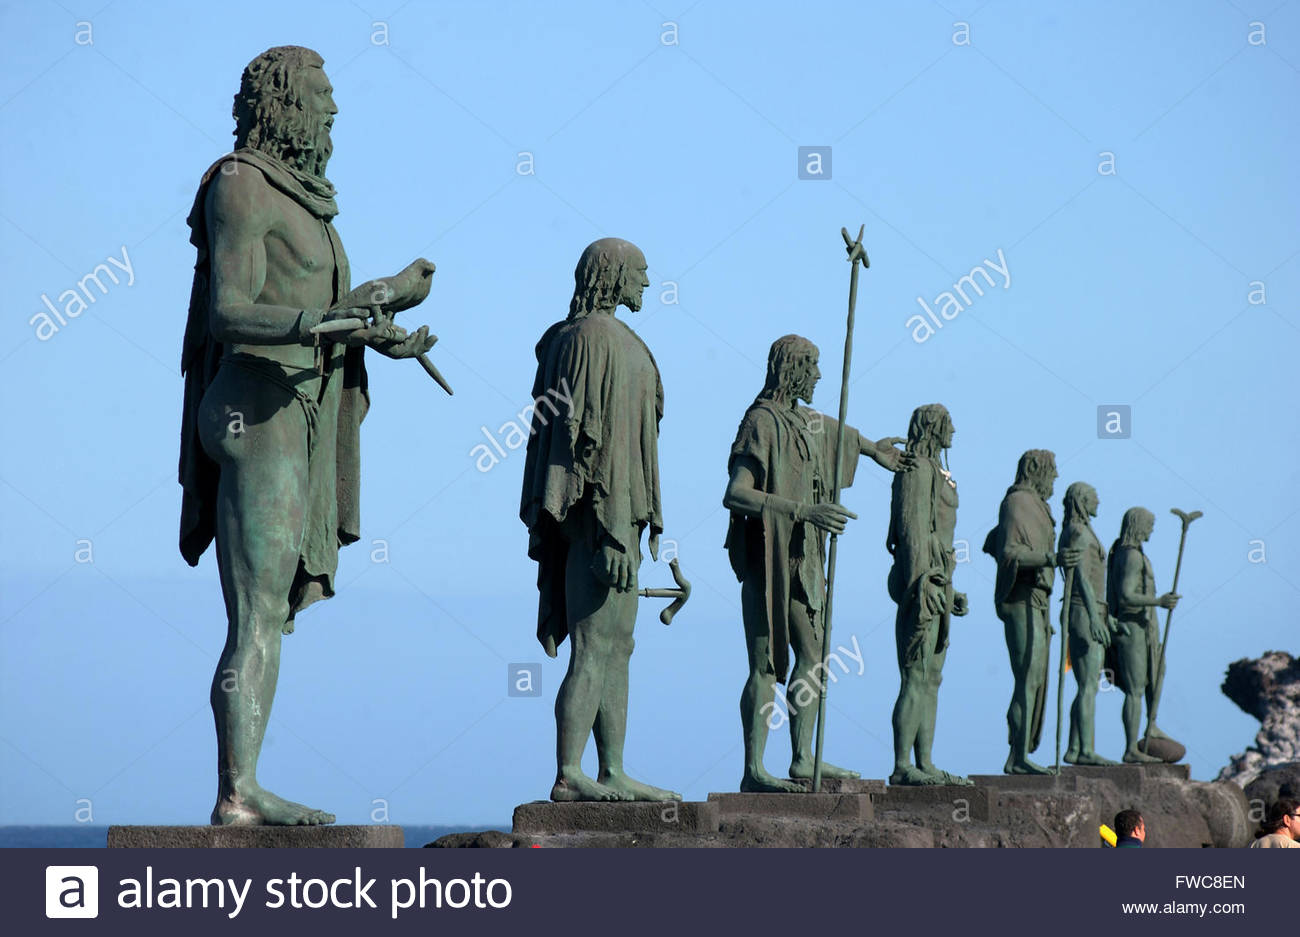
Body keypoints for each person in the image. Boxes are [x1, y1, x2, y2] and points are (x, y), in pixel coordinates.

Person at [179, 46, 437, 825]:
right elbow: (229, 309)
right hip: (251, 408)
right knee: (254, 614)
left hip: (298, 407)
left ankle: (245, 782)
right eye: (323, 97)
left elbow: (318, 310)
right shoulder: (240, 183)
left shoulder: (309, 203)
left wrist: (380, 306)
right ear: (286, 101)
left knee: (267, 616)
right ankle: (238, 793)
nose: (333, 112)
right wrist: (320, 320)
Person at [520, 238, 679, 803]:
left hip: (623, 518)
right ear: (612, 276)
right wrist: (611, 528)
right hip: (600, 518)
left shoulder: (606, 337)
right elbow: (591, 439)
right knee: (592, 645)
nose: (646, 282)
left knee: (620, 644)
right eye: (639, 272)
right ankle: (570, 773)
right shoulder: (588, 339)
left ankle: (611, 768)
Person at [722, 334, 902, 792]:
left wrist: (872, 449)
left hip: (804, 560)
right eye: (813, 367)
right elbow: (736, 493)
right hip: (769, 561)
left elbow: (834, 430)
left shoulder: (802, 420)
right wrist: (802, 511)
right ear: (793, 369)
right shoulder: (761, 421)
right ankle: (755, 771)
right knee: (764, 664)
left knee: (815, 656)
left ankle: (802, 758)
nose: (820, 376)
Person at [884, 404, 970, 786]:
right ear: (934, 427)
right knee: (915, 675)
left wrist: (951, 590)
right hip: (922, 584)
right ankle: (903, 766)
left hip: (940, 582)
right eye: (948, 423)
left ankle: (926, 762)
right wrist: (923, 586)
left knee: (932, 677)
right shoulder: (917, 470)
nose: (954, 429)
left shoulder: (936, 470)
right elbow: (913, 533)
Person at [984, 450, 1080, 775]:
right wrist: (1051, 559)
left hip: (1040, 601)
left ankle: (1021, 753)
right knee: (1027, 677)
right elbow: (1009, 552)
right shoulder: (1017, 503)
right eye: (1052, 472)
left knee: (1035, 679)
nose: (1055, 479)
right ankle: (1018, 755)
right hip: (1021, 599)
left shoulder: (1039, 506)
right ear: (1037, 470)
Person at [1106, 507, 1180, 763]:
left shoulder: (1135, 554)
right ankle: (1130, 748)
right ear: (1138, 525)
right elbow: (1126, 595)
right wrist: (1159, 601)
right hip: (1132, 629)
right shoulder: (1130, 556)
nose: (1151, 530)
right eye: (1149, 525)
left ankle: (1152, 724)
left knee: (1157, 672)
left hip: (1146, 629)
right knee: (1135, 689)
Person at [1059, 482, 1119, 766]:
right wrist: (1096, 618)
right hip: (1084, 611)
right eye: (1094, 497)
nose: (1099, 501)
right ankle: (1084, 750)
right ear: (1083, 500)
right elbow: (1081, 577)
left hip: (1091, 609)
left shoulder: (1081, 530)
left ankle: (1075, 748)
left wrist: (1108, 617)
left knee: (1087, 684)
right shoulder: (1080, 533)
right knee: (1088, 686)